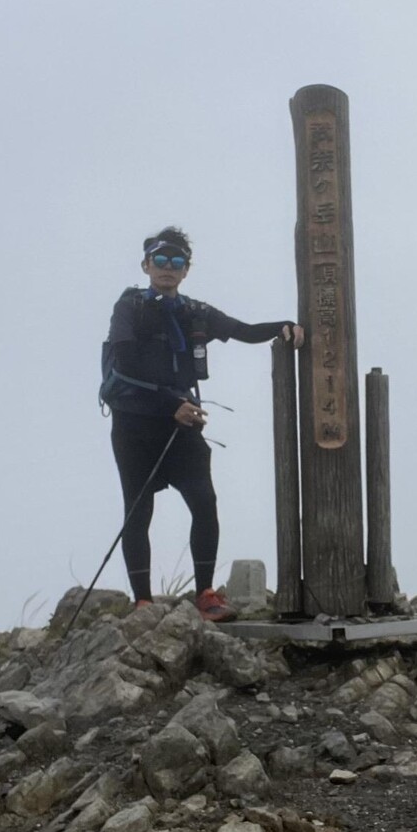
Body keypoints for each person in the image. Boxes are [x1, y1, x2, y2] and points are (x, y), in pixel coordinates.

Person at [100, 226, 305, 621]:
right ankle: (143, 601)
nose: (168, 268)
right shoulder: (130, 309)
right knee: (138, 509)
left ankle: (206, 595)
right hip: (134, 424)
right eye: (160, 260)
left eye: (177, 262)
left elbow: (242, 331)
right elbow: (125, 363)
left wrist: (284, 325)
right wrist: (170, 404)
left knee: (204, 503)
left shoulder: (194, 313)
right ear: (146, 265)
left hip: (182, 423)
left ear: (186, 270)